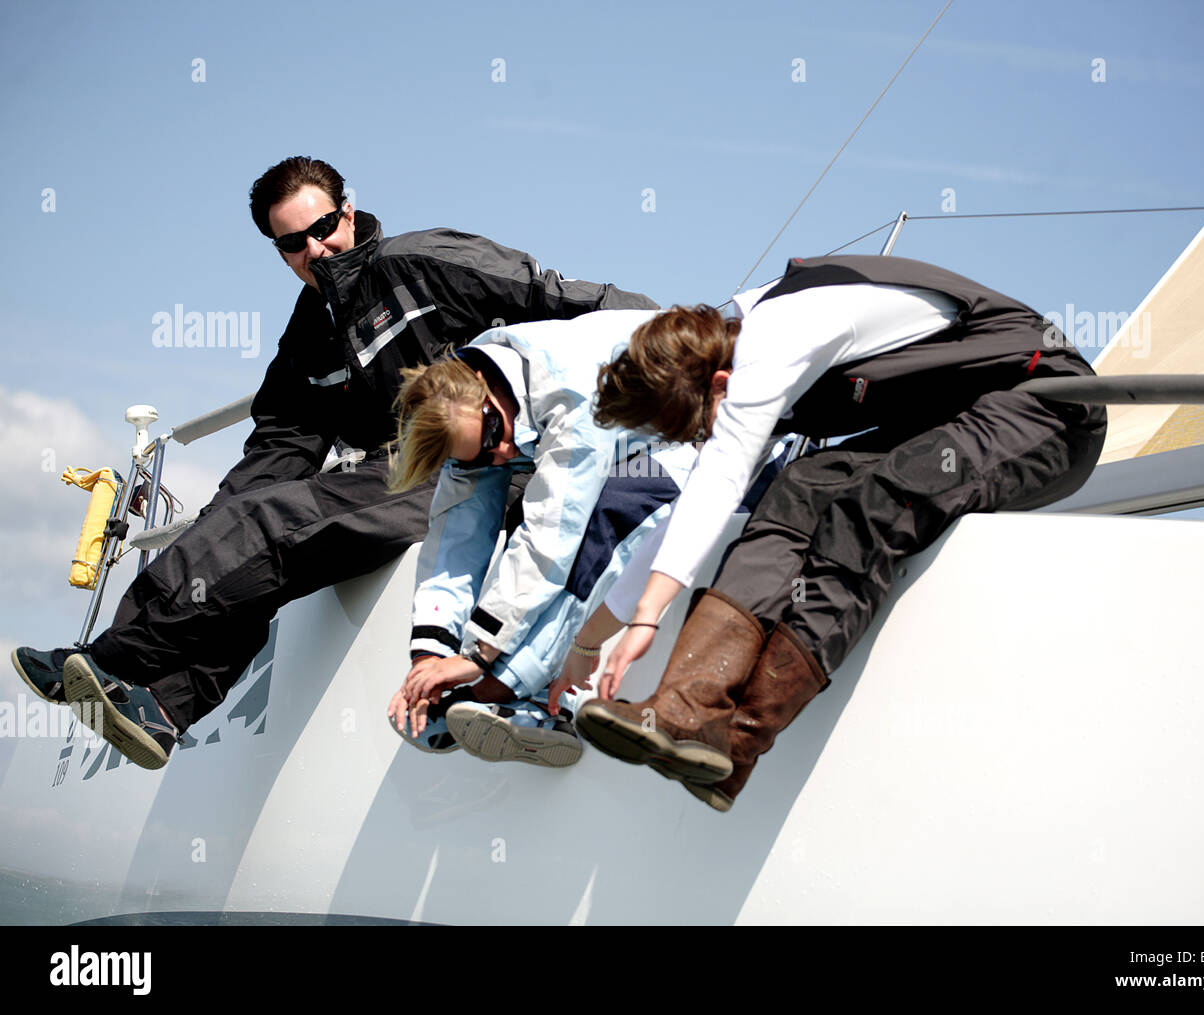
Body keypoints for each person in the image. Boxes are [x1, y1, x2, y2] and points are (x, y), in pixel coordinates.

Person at [10, 155, 655, 770]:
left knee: (271, 528)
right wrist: (218, 521)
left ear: (349, 213)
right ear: (279, 252)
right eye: (294, 244)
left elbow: (566, 297)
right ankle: (163, 708)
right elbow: (280, 445)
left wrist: (694, 351)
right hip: (407, 477)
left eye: (322, 228)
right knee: (251, 527)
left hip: (504, 460)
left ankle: (115, 661)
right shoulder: (308, 334)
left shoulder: (424, 262)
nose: (315, 249)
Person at [576, 254, 1108, 810]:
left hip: (1049, 409)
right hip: (941, 423)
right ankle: (685, 711)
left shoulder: (786, 330)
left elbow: (721, 476)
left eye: (695, 427)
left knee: (881, 500)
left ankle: (738, 742)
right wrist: (603, 631)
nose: (698, 442)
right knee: (797, 488)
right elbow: (690, 518)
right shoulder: (754, 353)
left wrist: (648, 616)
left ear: (720, 382)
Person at [385, 313, 697, 766]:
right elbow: (456, 538)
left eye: (494, 433)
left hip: (712, 439)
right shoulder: (470, 409)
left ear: (480, 382)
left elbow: (554, 536)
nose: (504, 453)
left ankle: (513, 689)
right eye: (485, 455)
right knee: (527, 509)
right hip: (638, 442)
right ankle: (505, 694)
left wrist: (478, 656)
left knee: (608, 514)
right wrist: (428, 655)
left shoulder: (569, 389)